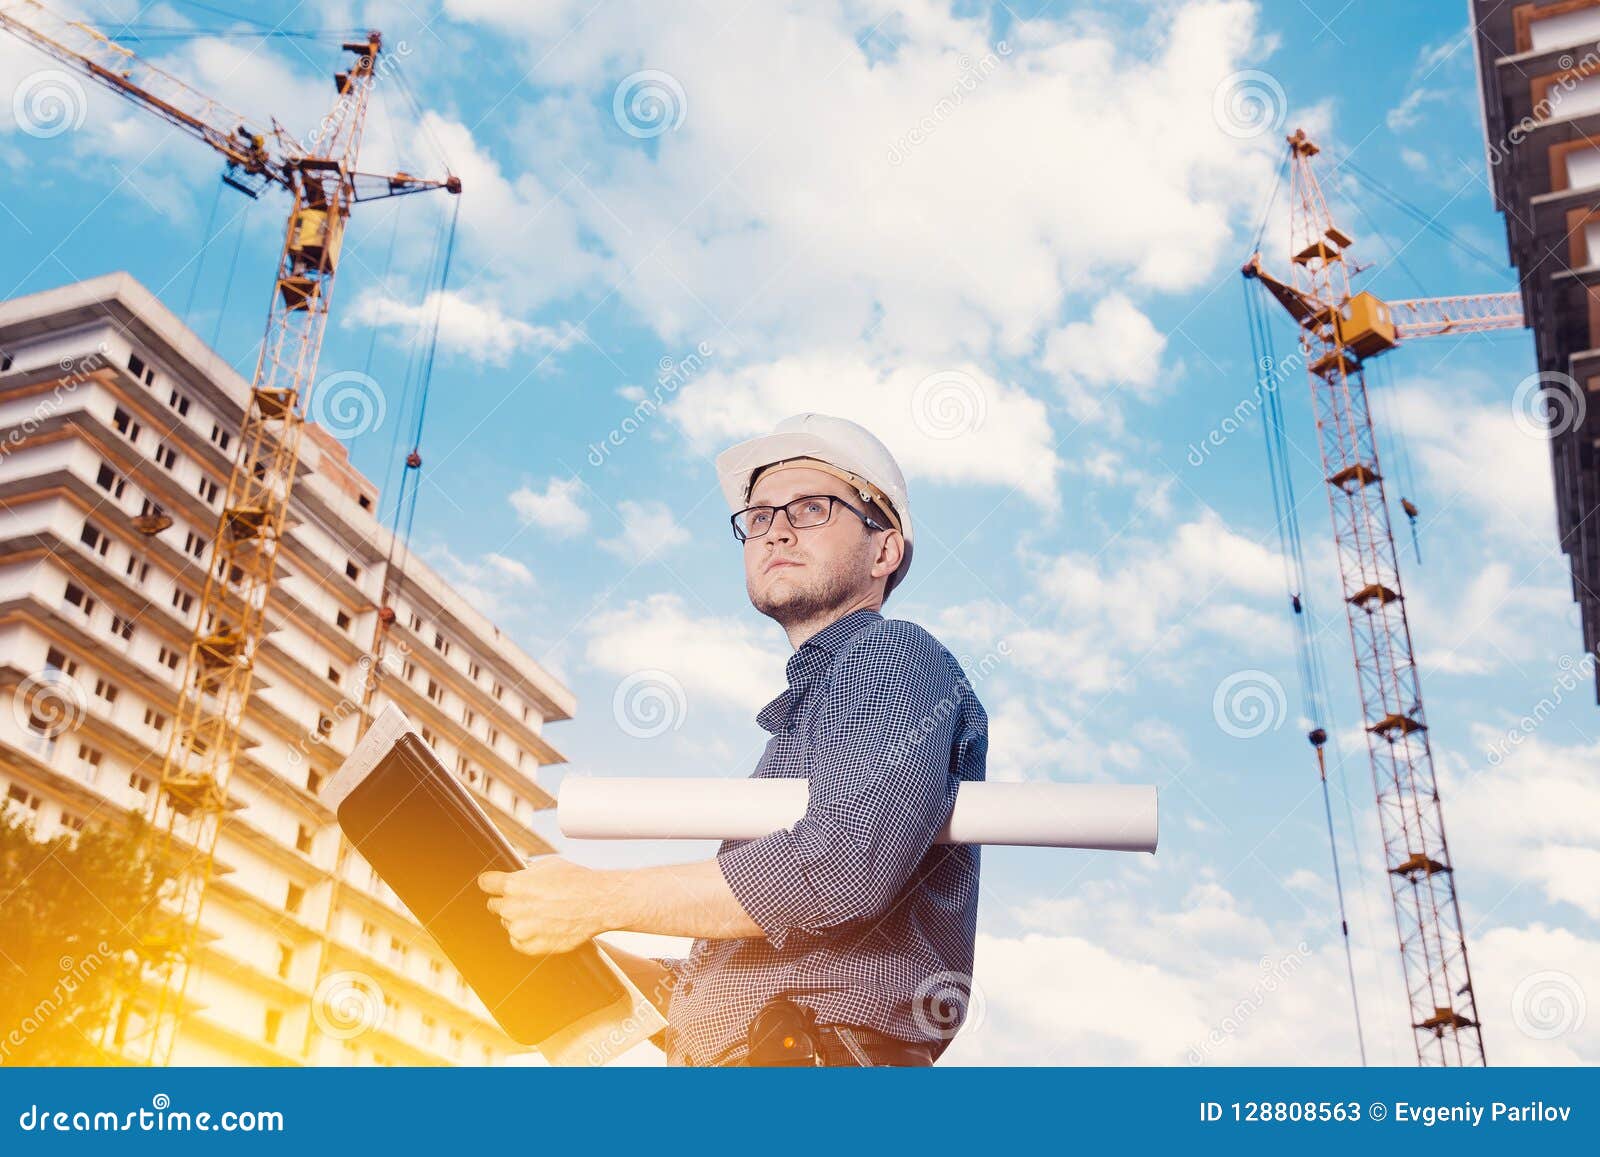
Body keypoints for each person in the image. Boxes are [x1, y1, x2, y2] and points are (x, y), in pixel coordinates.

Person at [478, 412, 988, 1066]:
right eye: (759, 516)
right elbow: (741, 979)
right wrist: (558, 937)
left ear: (884, 550)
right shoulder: (802, 730)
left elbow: (844, 862)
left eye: (810, 507)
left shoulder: (895, 655)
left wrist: (598, 899)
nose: (775, 527)